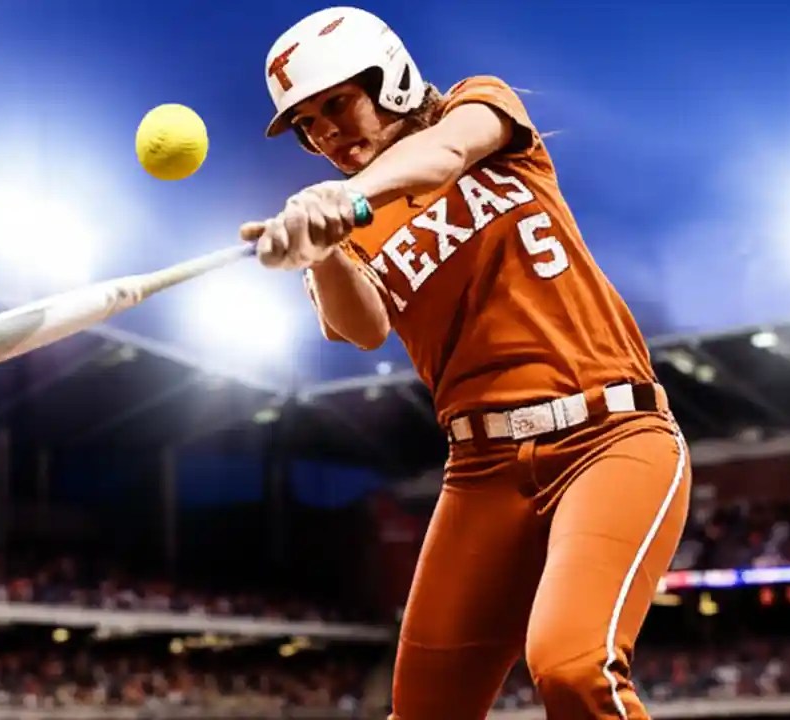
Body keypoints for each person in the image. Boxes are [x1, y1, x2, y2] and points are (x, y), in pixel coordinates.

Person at [241, 7, 692, 720]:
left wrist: (345, 201)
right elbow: (360, 328)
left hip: (609, 439)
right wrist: (320, 250)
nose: (325, 133)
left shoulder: (478, 107)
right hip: (482, 473)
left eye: (337, 104)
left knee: (572, 668)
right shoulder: (349, 227)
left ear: (389, 79)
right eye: (307, 124)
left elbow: (447, 153)